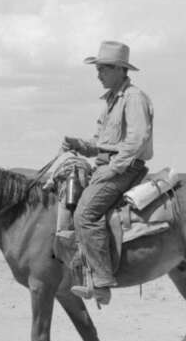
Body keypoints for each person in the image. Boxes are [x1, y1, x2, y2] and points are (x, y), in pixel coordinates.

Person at [62, 40, 154, 305]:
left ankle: (102, 282)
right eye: (98, 68)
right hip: (108, 165)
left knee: (86, 213)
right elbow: (103, 143)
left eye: (102, 68)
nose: (98, 74)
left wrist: (112, 169)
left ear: (119, 69)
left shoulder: (133, 98)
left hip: (125, 168)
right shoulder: (111, 100)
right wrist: (80, 145)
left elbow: (136, 140)